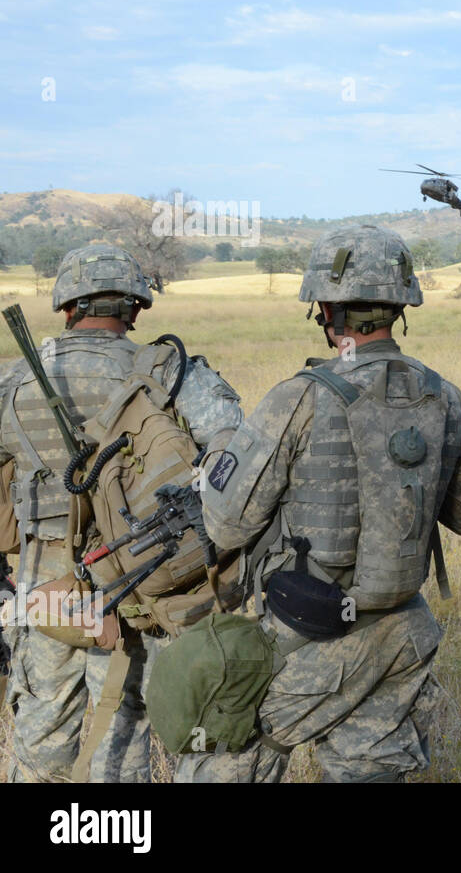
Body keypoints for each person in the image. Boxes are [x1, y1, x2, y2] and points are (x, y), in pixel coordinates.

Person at [175, 224, 461, 783]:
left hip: (312, 630)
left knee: (219, 755)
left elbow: (227, 527)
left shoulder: (298, 397)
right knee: (368, 768)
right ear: (399, 306)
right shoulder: (446, 397)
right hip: (404, 629)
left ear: (326, 309)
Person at [0, 244, 243, 783]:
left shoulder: (15, 379)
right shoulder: (165, 370)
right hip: (141, 568)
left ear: (67, 306)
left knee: (42, 717)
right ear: (134, 308)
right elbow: (232, 453)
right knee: (124, 715)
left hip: (44, 576)